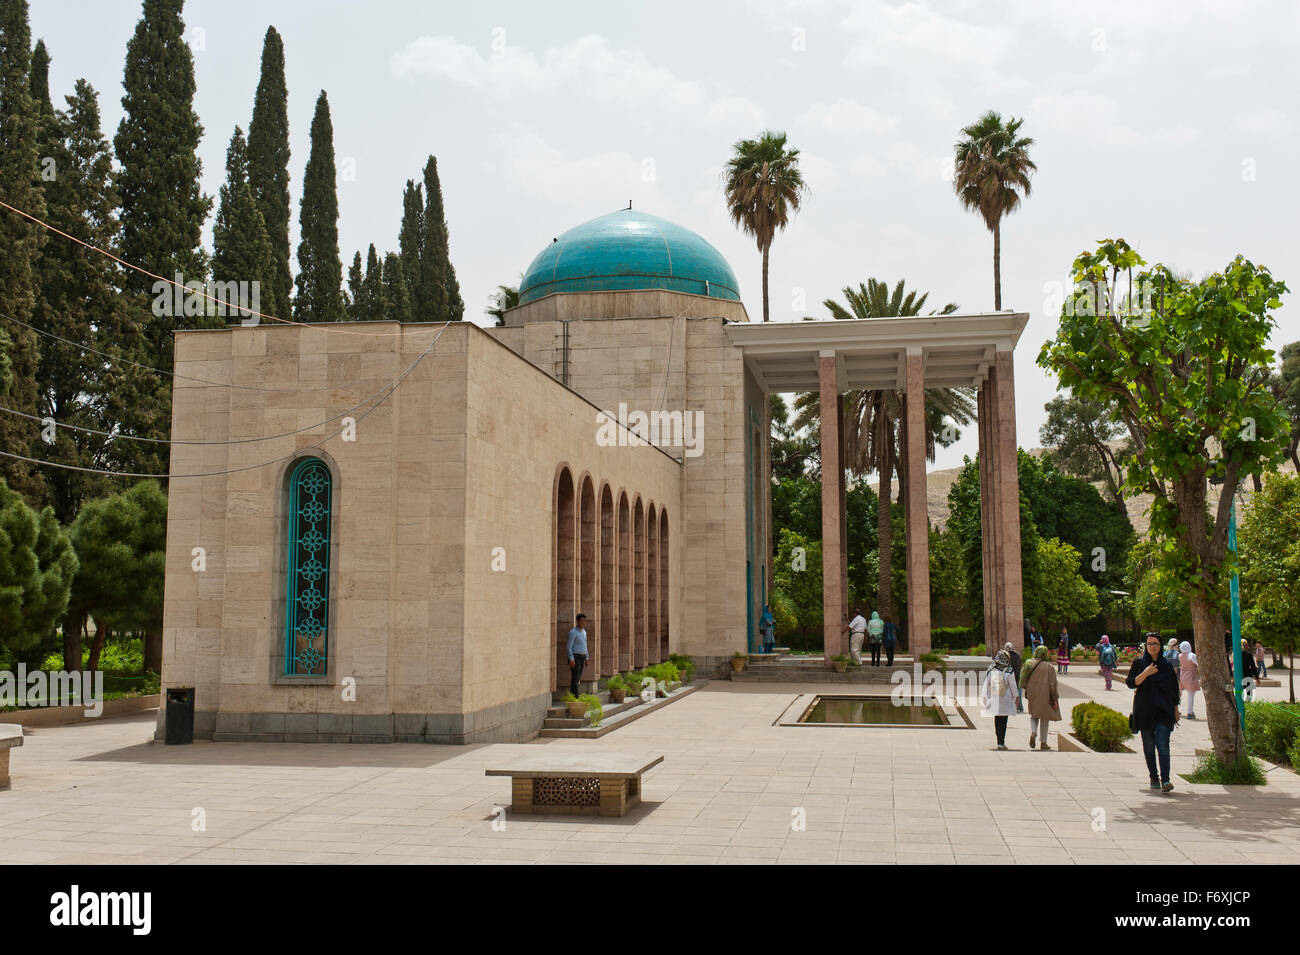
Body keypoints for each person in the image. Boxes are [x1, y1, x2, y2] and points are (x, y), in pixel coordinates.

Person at [1126, 633, 1181, 792]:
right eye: (1149, 643)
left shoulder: (1167, 666)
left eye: (1155, 643)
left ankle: (1166, 780)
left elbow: (1173, 690)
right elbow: (1130, 683)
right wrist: (1146, 673)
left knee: (1163, 744)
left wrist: (1176, 709)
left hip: (1164, 711)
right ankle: (1154, 777)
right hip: (1145, 710)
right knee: (1149, 746)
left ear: (1160, 646)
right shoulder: (1139, 663)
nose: (1152, 646)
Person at [1021, 644, 1061, 750]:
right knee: (1045, 718)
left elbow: (1022, 680)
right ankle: (1043, 743)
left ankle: (1033, 733)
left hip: (1032, 692)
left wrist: (1027, 689)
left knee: (1034, 714)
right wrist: (1054, 698)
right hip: (1045, 694)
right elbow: (1053, 684)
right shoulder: (1049, 667)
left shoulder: (1028, 663)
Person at [981, 649, 1019, 750]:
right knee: (1003, 721)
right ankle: (1001, 742)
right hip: (1005, 700)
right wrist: (1017, 698)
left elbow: (986, 684)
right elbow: (1013, 686)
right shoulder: (1009, 670)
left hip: (994, 699)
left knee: (997, 719)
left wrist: (985, 696)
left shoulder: (991, 669)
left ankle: (999, 739)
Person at [567, 613, 589, 696]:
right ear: (577, 621)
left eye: (584, 621)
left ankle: (573, 695)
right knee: (575, 677)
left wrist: (587, 657)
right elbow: (569, 646)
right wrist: (571, 659)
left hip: (582, 657)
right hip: (575, 657)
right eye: (581, 621)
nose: (583, 622)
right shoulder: (573, 632)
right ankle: (575, 696)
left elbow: (585, 645)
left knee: (578, 677)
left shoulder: (584, 632)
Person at [1178, 640, 1200, 719]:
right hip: (1191, 676)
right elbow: (1198, 665)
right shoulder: (1192, 655)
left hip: (1182, 676)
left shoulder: (1180, 655)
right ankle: (1189, 712)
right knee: (1191, 695)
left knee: (1179, 693)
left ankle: (1176, 709)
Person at [1005, 642, 1024, 712]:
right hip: (1018, 676)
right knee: (1018, 693)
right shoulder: (1018, 655)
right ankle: (1020, 707)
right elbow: (1020, 665)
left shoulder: (1006, 655)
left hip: (1010, 676)